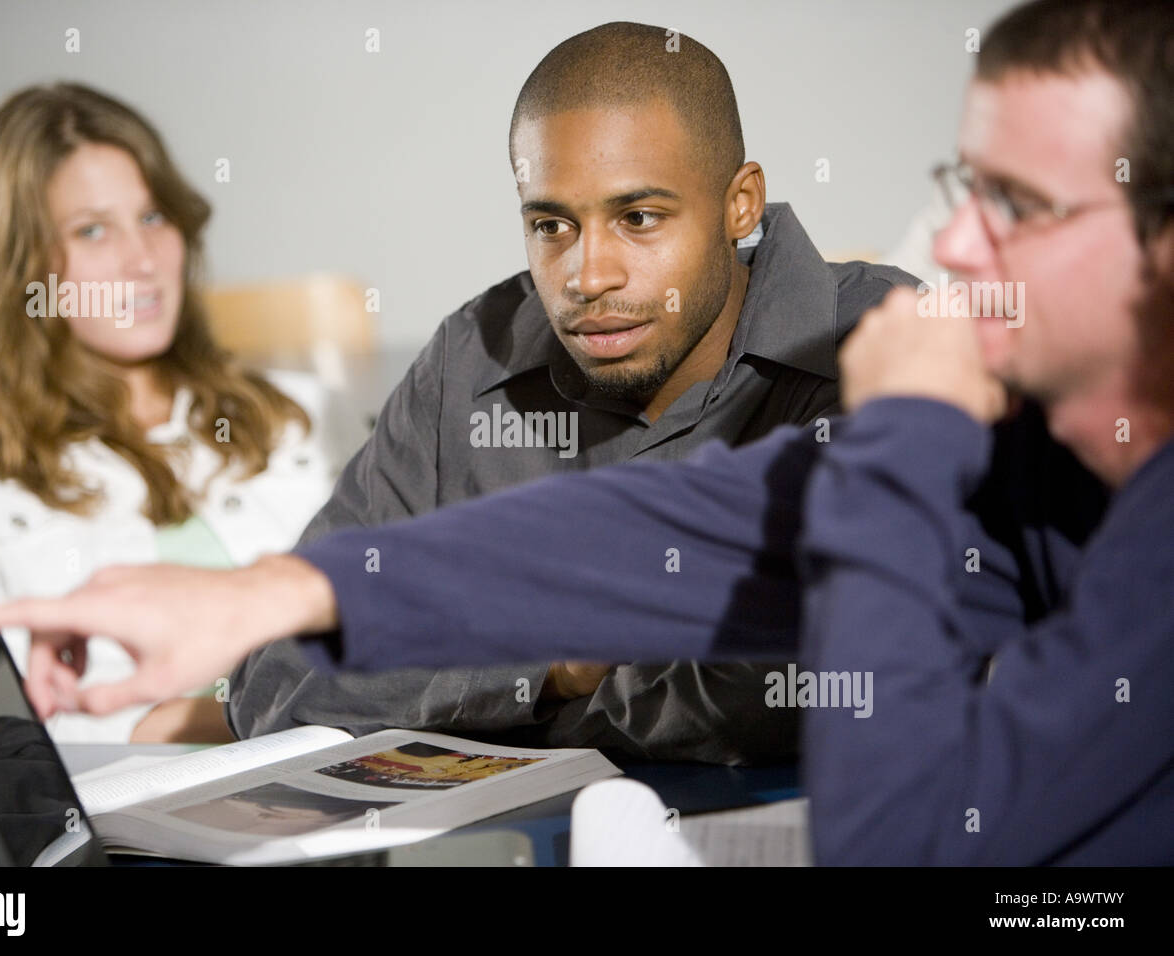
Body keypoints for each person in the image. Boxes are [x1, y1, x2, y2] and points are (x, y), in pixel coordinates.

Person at [0, 0, 1173, 864]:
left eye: (1013, 204)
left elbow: (882, 803)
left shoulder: (912, 375)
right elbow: (680, 529)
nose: (950, 244)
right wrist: (272, 592)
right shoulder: (473, 355)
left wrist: (900, 434)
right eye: (965, 192)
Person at [227, 21, 914, 766]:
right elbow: (277, 672)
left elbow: (826, 682)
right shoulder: (471, 360)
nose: (588, 276)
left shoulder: (873, 344)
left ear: (740, 203)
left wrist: (472, 691)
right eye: (551, 224)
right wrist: (547, 674)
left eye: (639, 218)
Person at [0, 83, 366, 744]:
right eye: (92, 230)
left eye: (152, 217)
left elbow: (394, 633)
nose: (140, 261)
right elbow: (17, 752)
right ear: (20, 270)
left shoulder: (296, 418)